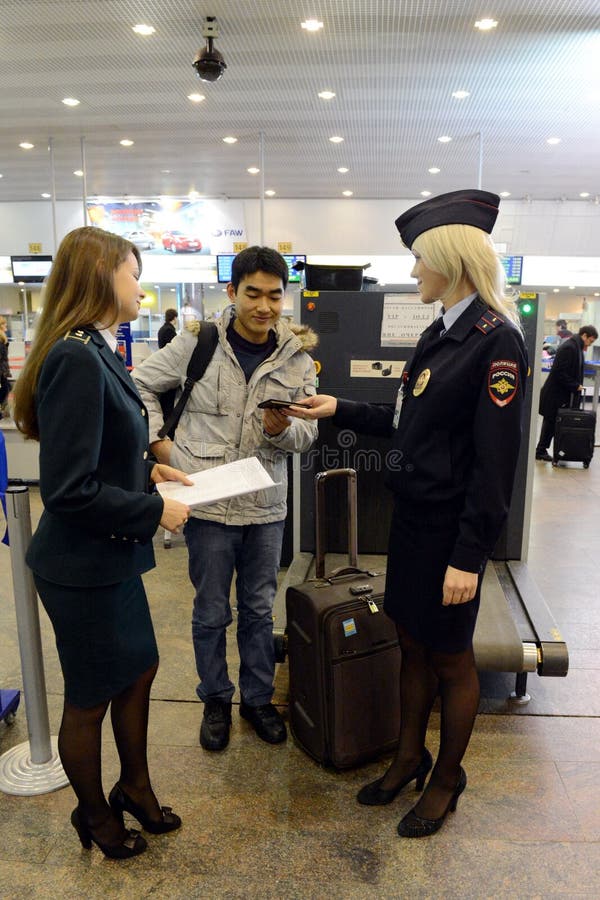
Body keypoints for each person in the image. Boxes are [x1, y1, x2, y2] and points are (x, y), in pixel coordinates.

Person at [287, 190, 528, 838]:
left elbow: (494, 465)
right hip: (415, 523)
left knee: (451, 659)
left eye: (421, 261)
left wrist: (469, 557)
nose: (414, 272)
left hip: (452, 531)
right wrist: (340, 408)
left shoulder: (495, 343)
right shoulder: (439, 332)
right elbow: (407, 424)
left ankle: (447, 779)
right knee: (412, 646)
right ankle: (407, 757)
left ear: (450, 264)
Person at [12, 227, 192, 859]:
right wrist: (153, 509)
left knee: (140, 667)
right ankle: (94, 815)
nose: (140, 286)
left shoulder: (96, 351)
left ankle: (134, 787)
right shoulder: (74, 358)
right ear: (101, 274)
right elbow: (67, 490)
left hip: (109, 555)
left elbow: (101, 451)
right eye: (133, 272)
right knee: (89, 696)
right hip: (79, 564)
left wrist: (148, 471)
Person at [133, 246, 318, 751]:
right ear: (232, 292)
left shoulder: (297, 358)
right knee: (211, 609)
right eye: (252, 294)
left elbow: (307, 438)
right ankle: (215, 696)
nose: (264, 306)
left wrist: (282, 431)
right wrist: (158, 442)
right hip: (207, 503)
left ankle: (257, 699)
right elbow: (140, 385)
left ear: (285, 297)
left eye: (274, 296)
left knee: (259, 609)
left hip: (264, 505)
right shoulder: (200, 343)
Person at [535, 324, 598, 461]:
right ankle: (540, 450)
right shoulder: (570, 347)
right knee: (550, 423)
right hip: (556, 394)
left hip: (561, 394)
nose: (590, 344)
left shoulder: (576, 347)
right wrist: (576, 386)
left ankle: (546, 450)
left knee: (552, 423)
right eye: (590, 340)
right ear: (584, 335)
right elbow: (560, 372)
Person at [0, 316, 11, 416]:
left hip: (2, 370)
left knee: (7, 388)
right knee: (5, 388)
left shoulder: (3, 339)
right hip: (1, 371)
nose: (6, 326)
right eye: (3, 324)